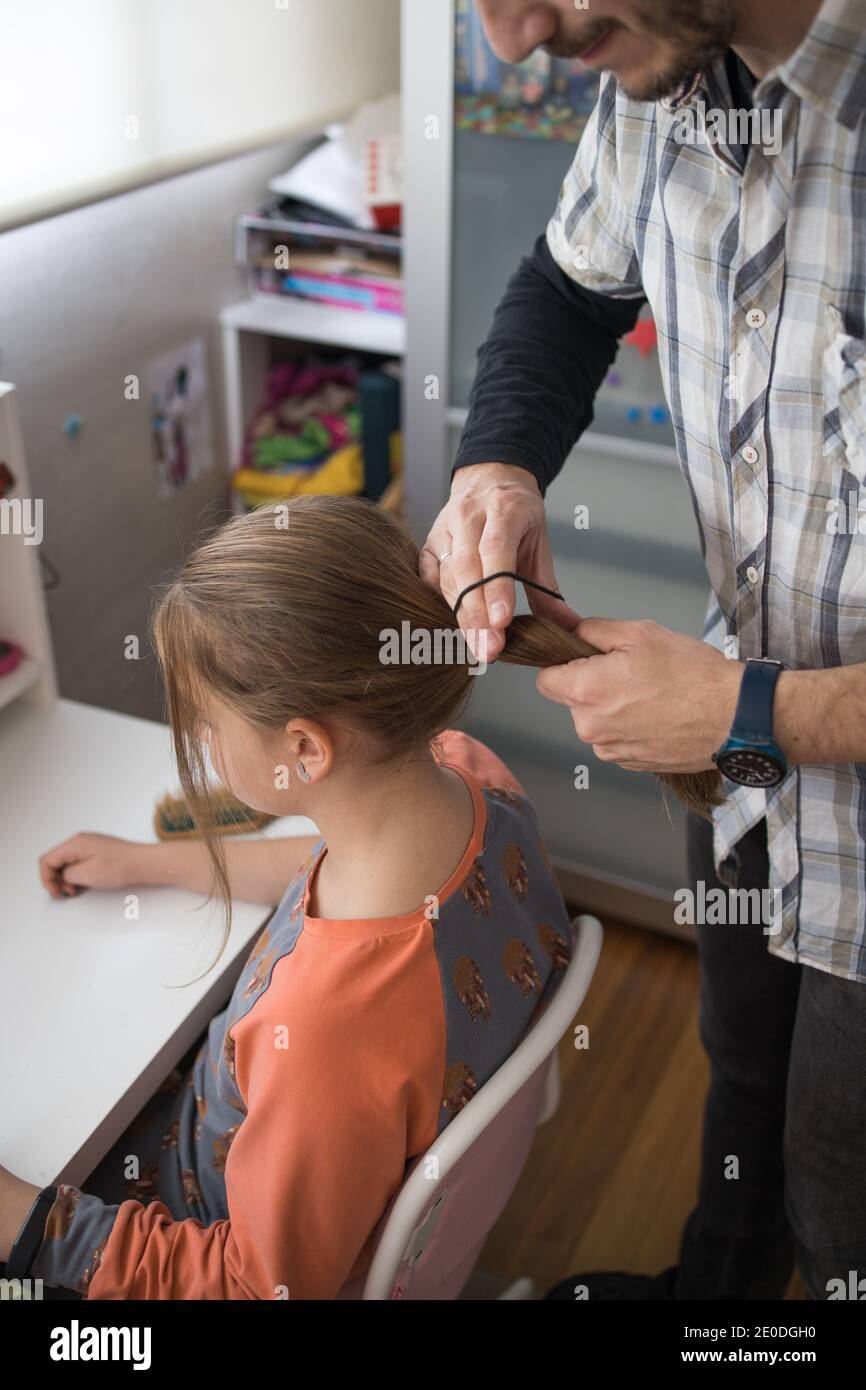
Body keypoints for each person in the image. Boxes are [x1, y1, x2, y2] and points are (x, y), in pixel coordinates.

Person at [423, 0, 866, 1300]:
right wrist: (497, 462)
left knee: (841, 1204)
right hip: (743, 778)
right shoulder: (659, 72)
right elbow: (567, 290)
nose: (511, 40)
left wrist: (759, 711)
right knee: (737, 1071)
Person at [0, 497, 575, 1299]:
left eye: (204, 722)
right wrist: (152, 864)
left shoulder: (328, 1030)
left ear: (305, 747)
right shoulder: (469, 776)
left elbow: (252, 1287)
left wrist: (20, 1217)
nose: (201, 741)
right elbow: (326, 862)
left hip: (189, 1218)